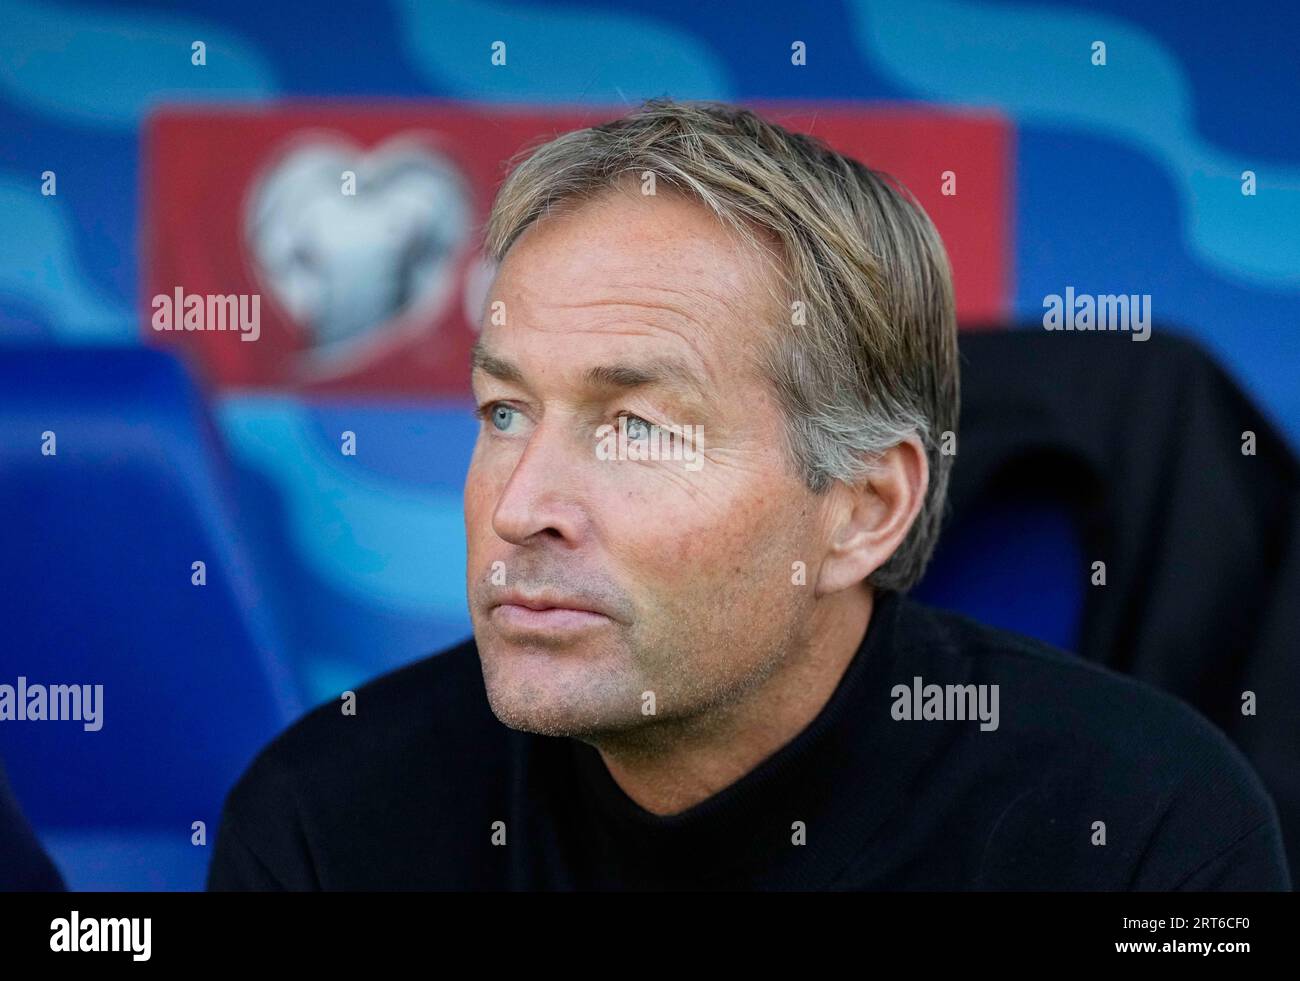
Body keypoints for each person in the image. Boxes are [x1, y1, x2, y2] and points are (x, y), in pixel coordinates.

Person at [208, 99, 1289, 890]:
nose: (518, 504)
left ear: (864, 509)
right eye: (503, 414)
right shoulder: (326, 823)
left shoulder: (1142, 828)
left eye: (636, 426)